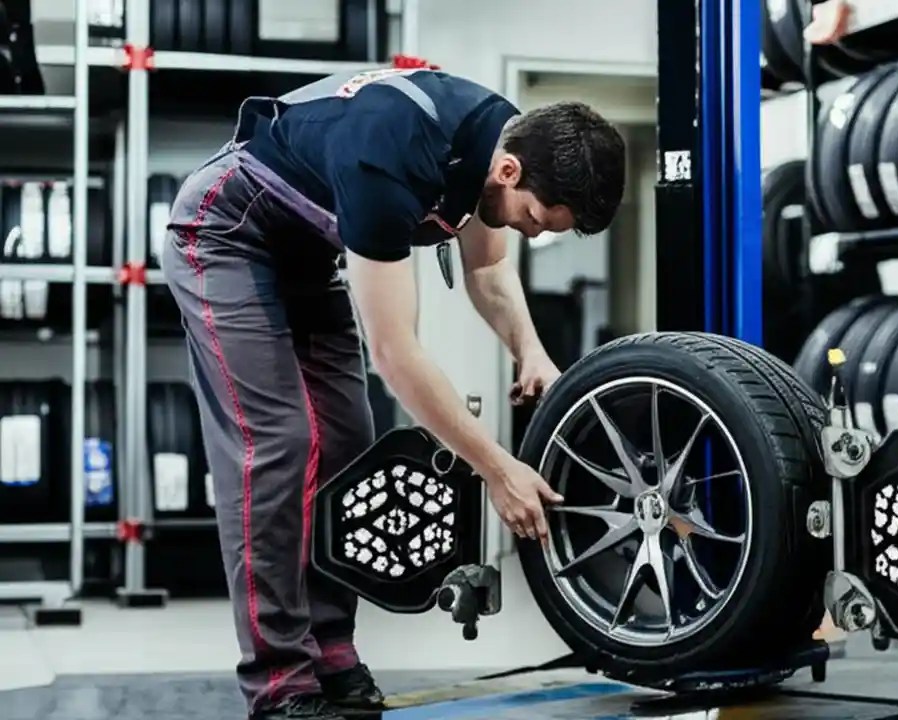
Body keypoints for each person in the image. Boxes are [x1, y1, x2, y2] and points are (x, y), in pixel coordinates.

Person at [159, 64, 627, 720]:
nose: (532, 233)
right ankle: (279, 680)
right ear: (510, 172)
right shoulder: (390, 156)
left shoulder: (496, 134)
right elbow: (395, 354)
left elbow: (488, 265)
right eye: (533, 218)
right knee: (279, 446)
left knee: (349, 444)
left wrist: (531, 352)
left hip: (307, 256)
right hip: (226, 235)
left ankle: (330, 649)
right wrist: (496, 470)